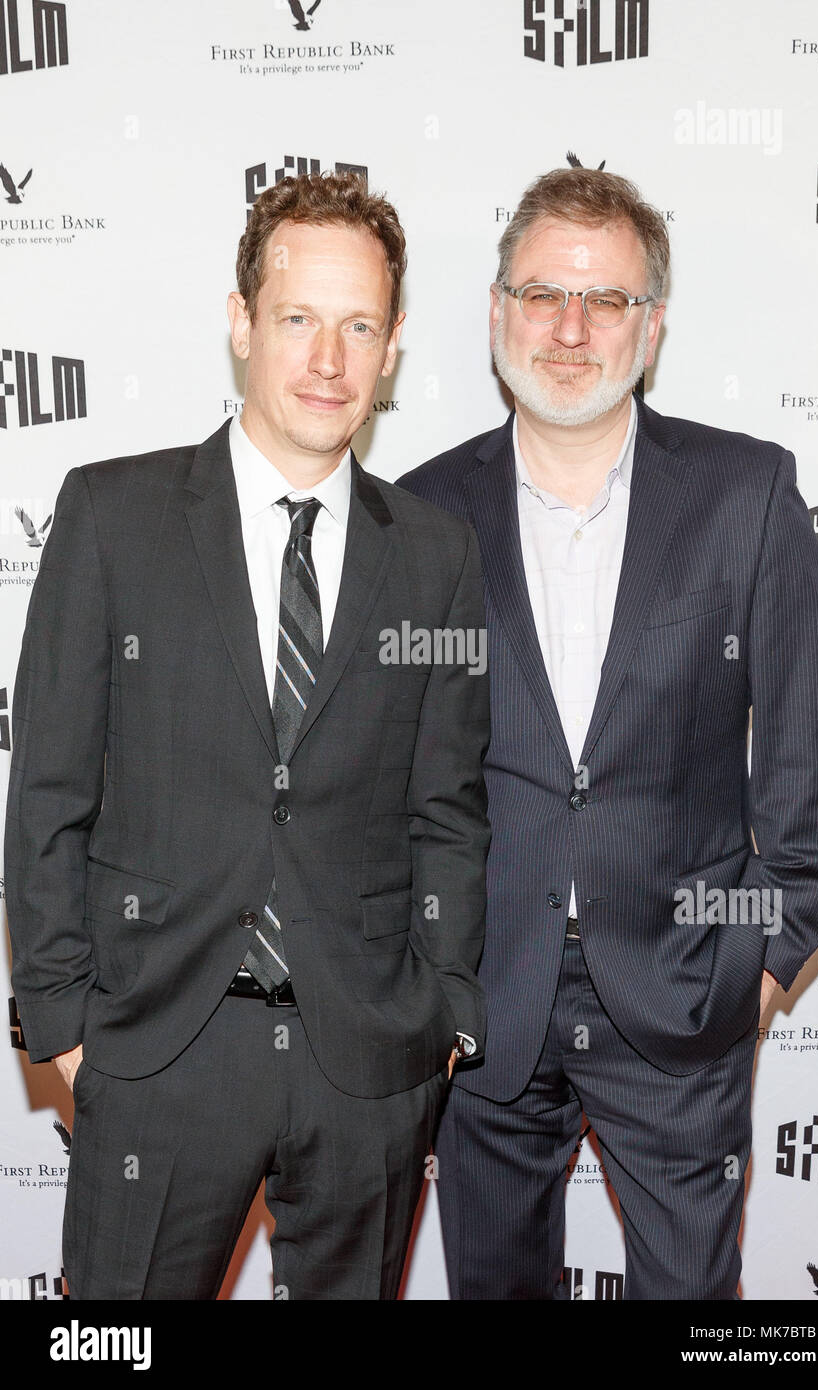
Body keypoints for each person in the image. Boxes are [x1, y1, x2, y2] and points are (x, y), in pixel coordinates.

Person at [5, 171, 490, 1300]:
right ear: (239, 322)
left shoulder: (434, 554)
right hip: (159, 1050)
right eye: (298, 319)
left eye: (358, 324)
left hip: (366, 1064)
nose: (329, 357)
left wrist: (446, 1010)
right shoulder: (110, 516)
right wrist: (70, 1026)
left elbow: (447, 809)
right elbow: (49, 795)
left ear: (394, 343)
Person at [398, 165, 818, 1300]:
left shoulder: (744, 495)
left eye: (605, 301)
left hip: (681, 992)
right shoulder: (414, 514)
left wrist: (756, 961)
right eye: (543, 292)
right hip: (481, 1010)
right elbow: (383, 780)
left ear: (649, 329)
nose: (569, 328)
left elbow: (807, 762)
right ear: (497, 311)